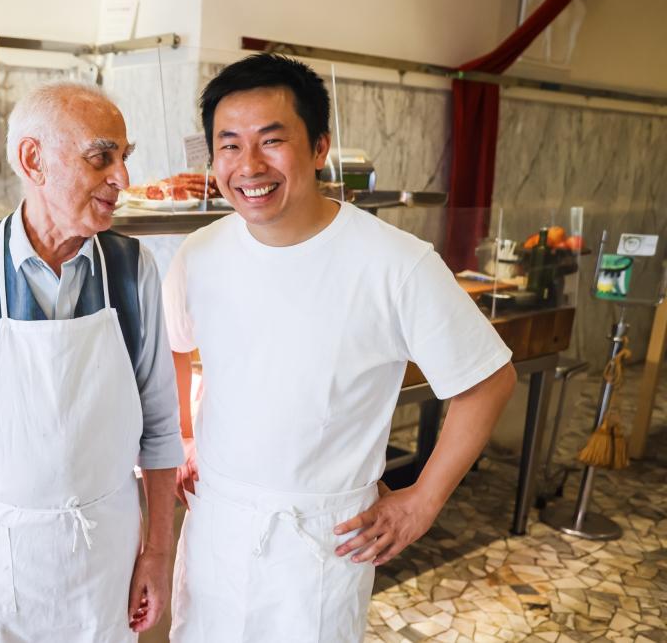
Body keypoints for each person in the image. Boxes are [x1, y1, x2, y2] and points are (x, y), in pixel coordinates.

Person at [165, 53, 517, 642]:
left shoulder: (395, 263)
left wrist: (421, 502)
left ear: (320, 147)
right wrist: (184, 433)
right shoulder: (199, 255)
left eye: (271, 141)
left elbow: (488, 380)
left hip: (322, 541)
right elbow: (175, 346)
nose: (248, 165)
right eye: (228, 145)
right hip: (217, 528)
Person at [0, 81, 184, 643]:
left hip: (107, 556)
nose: (122, 179)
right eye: (101, 157)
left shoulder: (134, 269)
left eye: (123, 158)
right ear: (34, 160)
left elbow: (160, 429)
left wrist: (157, 552)